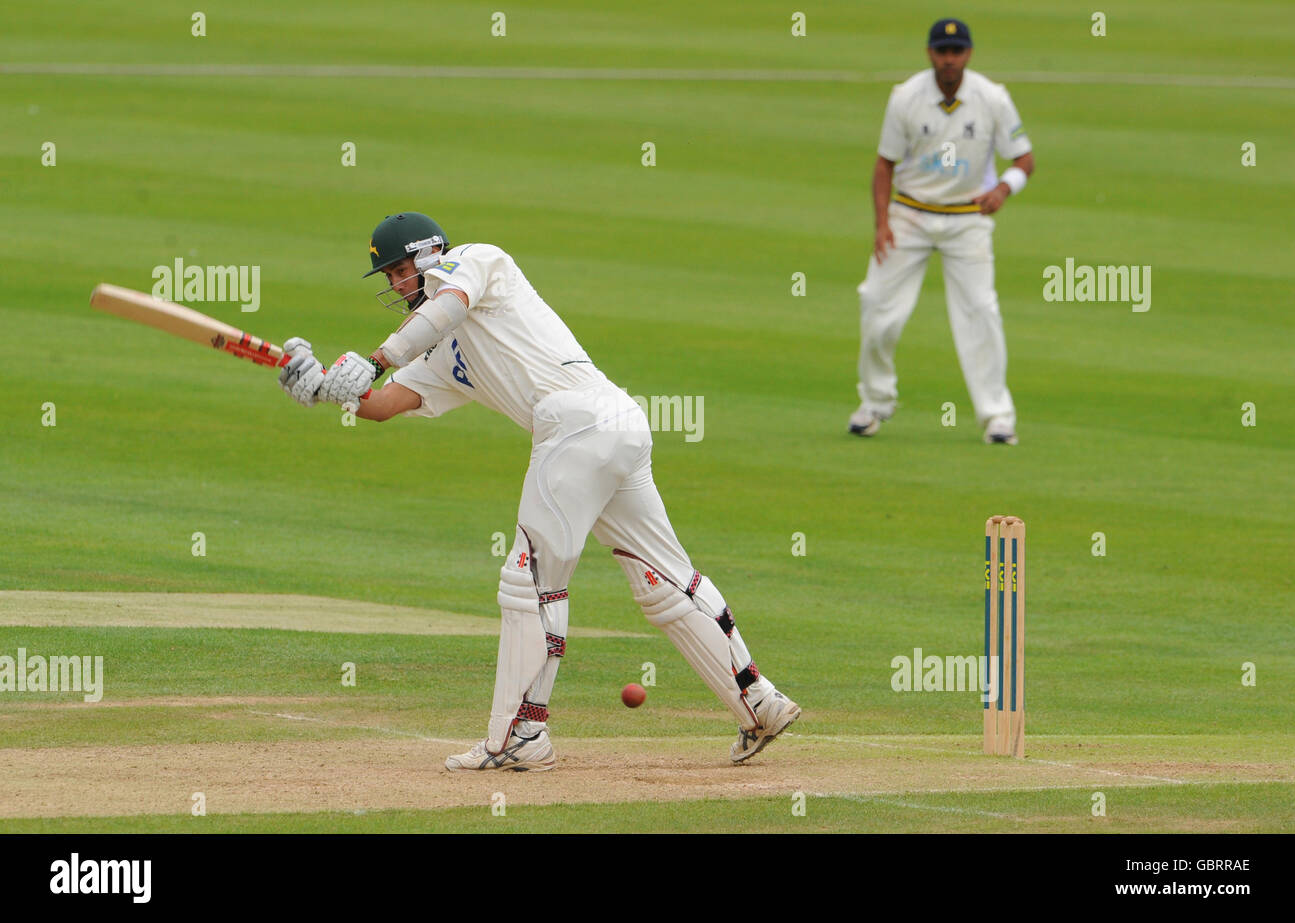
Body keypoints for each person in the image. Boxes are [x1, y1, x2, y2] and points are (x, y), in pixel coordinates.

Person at [278, 212, 801, 771]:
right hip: (613, 428)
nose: (395, 284)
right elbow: (382, 406)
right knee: (664, 583)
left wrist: (377, 359)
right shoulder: (438, 351)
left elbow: (448, 303)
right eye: (389, 276)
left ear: (430, 253)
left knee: (528, 580)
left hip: (578, 424)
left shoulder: (479, 260)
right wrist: (329, 390)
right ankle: (759, 702)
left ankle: (522, 735)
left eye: (400, 270)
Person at [850, 18, 1034, 444]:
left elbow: (1024, 158)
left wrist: (1005, 188)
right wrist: (881, 224)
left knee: (980, 312)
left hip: (968, 217)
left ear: (968, 54)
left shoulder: (992, 98)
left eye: (956, 52)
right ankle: (875, 401)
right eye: (941, 51)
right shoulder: (906, 97)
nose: (948, 59)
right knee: (877, 305)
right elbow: (884, 164)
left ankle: (996, 417)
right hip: (910, 214)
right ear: (930, 53)